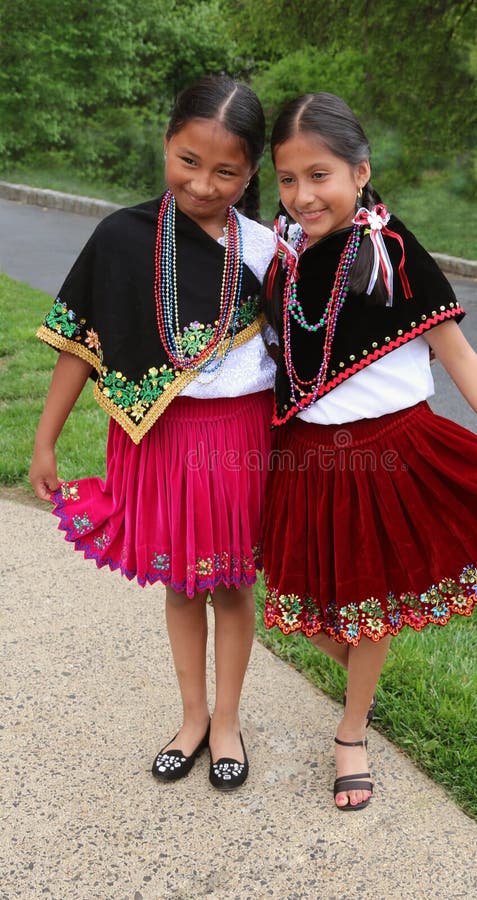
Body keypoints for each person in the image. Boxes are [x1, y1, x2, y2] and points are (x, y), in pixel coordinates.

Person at [261, 92, 477, 811]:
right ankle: (362, 685)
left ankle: (351, 731)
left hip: (387, 452)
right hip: (305, 459)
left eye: (320, 175)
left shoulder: (392, 252)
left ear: (360, 169)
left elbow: (460, 357)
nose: (303, 194)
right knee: (301, 608)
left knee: (366, 601)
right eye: (288, 178)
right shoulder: (284, 257)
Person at [29, 75, 277, 791]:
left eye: (226, 170)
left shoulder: (265, 252)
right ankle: (192, 716)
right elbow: (81, 342)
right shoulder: (121, 236)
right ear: (167, 146)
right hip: (159, 438)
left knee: (230, 584)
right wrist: (46, 440)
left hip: (238, 438)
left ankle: (228, 720)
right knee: (179, 581)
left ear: (251, 172)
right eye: (187, 161)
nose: (203, 183)